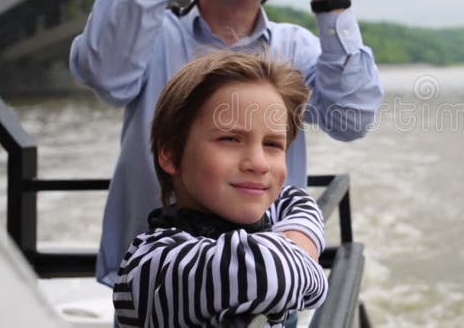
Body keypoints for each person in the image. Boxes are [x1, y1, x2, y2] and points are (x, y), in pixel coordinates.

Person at [70, 0, 383, 287]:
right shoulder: (151, 36)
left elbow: (352, 118)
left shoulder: (297, 50)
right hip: (156, 284)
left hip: (263, 286)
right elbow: (102, 73)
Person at [113, 51, 327, 327]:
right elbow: (278, 274)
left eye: (273, 144)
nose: (259, 164)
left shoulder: (247, 218)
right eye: (230, 138)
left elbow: (293, 197)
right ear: (170, 154)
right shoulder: (154, 264)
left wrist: (298, 238)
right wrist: (305, 253)